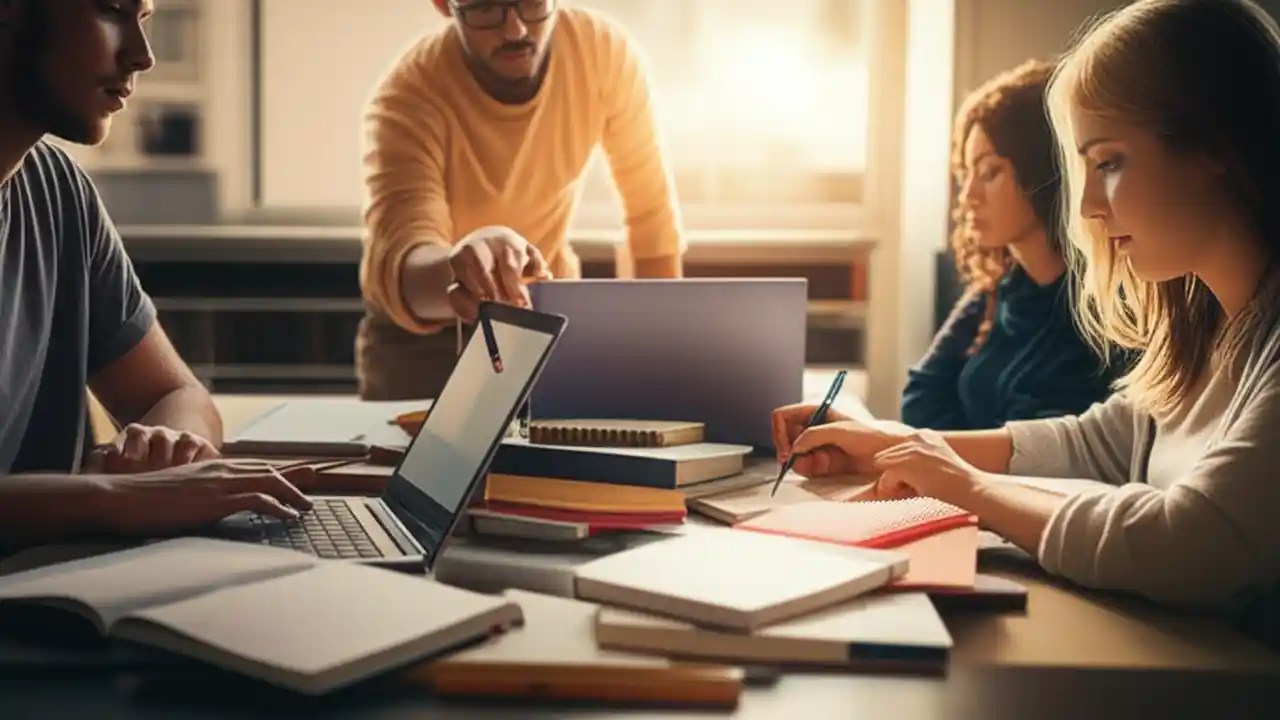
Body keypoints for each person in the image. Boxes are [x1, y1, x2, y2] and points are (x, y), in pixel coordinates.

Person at [774, 0, 1280, 647]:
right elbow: (1103, 446)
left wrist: (969, 489)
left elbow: (1194, 544)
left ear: (1214, 142)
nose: (1091, 207)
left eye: (1110, 162)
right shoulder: (1205, 328)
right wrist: (894, 442)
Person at [0, 0, 313, 547]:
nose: (142, 56)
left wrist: (173, 451)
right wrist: (126, 500)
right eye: (113, 11)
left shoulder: (59, 190)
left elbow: (176, 394)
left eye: (141, 19)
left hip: (64, 587)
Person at [358, 0, 685, 400]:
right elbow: (405, 267)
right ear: (445, 4)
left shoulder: (602, 51)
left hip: (545, 320)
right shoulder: (408, 95)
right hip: (426, 345)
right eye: (485, 7)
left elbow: (650, 214)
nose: (515, 30)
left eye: (531, 2)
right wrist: (464, 267)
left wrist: (668, 352)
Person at [901, 59, 1117, 430]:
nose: (967, 195)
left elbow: (1051, 441)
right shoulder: (999, 288)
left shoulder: (1100, 305)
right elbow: (920, 396)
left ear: (1042, 171)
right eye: (965, 174)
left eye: (989, 173)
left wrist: (957, 455)